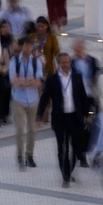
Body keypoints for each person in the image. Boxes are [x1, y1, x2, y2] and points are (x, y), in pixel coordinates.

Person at [37, 52, 88, 188]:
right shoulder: (52, 80)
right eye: (63, 62)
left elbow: (82, 96)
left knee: (77, 148)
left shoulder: (77, 77)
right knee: (62, 147)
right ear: (58, 64)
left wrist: (87, 114)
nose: (65, 65)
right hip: (60, 119)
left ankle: (69, 171)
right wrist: (39, 115)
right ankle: (65, 174)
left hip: (75, 117)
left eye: (67, 62)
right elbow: (45, 98)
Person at [10, 37, 43, 168]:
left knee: (32, 129)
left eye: (30, 46)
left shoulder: (36, 62)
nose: (28, 48)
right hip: (18, 99)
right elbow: (14, 81)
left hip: (33, 99)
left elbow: (39, 81)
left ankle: (30, 154)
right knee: (19, 129)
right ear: (21, 46)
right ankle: (20, 155)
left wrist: (23, 82)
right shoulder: (14, 61)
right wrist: (30, 80)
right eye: (25, 45)